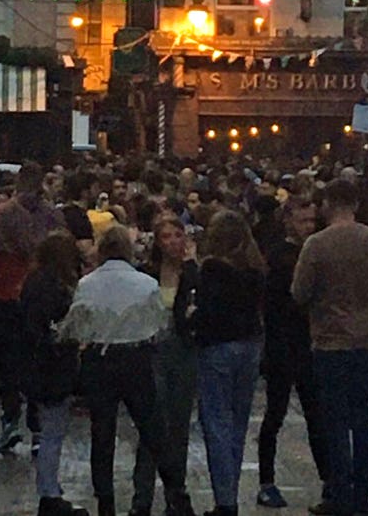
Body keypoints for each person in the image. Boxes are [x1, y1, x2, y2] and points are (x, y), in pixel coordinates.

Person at [58, 226, 196, 516]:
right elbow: (160, 324)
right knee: (153, 429)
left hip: (100, 360)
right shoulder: (145, 283)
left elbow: (77, 325)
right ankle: (176, 492)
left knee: (102, 433)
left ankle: (105, 503)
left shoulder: (87, 283)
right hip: (136, 358)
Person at [291, 179, 368, 516]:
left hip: (328, 340)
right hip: (365, 340)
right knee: (360, 417)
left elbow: (299, 293)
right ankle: (361, 496)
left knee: (334, 422)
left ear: (327, 205)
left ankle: (338, 493)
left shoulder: (316, 245)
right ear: (354, 204)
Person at [0, 162, 63, 453]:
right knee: (36, 358)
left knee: (4, 360)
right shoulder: (52, 216)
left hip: (3, 294)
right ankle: (37, 427)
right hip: (39, 295)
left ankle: (10, 419)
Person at [191, 210, 266, 516]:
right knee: (237, 423)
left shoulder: (211, 269)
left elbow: (206, 310)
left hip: (218, 347)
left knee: (216, 422)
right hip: (249, 346)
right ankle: (230, 491)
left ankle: (225, 499)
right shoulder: (255, 271)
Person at [255, 197, 327, 509]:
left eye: (312, 221)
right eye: (303, 221)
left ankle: (328, 479)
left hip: (308, 343)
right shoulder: (278, 255)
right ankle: (266, 480)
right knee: (275, 413)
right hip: (283, 342)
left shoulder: (316, 251)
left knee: (316, 416)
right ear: (288, 222)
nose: (308, 227)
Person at [130, 214, 198, 516]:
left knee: (179, 425)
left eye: (177, 235)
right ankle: (141, 497)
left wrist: (193, 266)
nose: (172, 242)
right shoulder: (146, 273)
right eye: (166, 237)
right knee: (151, 424)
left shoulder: (193, 272)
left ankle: (176, 493)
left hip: (183, 351)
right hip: (151, 351)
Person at [21, 231, 87, 516]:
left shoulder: (32, 284)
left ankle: (50, 490)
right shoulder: (56, 290)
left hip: (36, 365)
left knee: (49, 430)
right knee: (53, 433)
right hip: (52, 368)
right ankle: (49, 492)